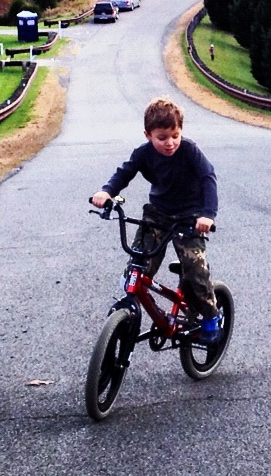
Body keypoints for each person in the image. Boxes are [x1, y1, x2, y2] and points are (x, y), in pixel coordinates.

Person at [90, 96, 222, 340]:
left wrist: (207, 215)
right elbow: (124, 173)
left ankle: (211, 315)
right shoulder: (143, 154)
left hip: (190, 217)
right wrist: (107, 192)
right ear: (148, 135)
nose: (170, 143)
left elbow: (208, 177)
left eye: (175, 135)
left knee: (195, 269)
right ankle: (130, 316)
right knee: (138, 268)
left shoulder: (189, 151)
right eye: (162, 138)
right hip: (158, 213)